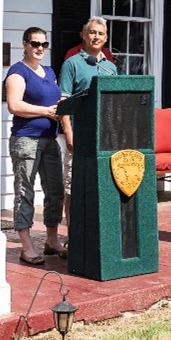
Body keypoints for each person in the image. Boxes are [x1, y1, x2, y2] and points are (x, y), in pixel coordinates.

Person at [5, 26, 66, 265]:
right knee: (25, 191)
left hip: (49, 140)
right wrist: (45, 111)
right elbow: (14, 105)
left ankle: (51, 240)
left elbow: (52, 100)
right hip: (26, 140)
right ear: (25, 44)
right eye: (34, 43)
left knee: (55, 190)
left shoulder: (49, 72)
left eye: (44, 44)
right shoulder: (18, 72)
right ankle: (26, 246)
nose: (40, 48)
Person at [57, 17, 118, 220]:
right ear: (83, 35)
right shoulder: (71, 64)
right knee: (73, 186)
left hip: (106, 137)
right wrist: (69, 134)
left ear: (106, 37)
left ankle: (96, 232)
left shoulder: (110, 67)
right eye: (92, 32)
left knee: (101, 184)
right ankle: (74, 236)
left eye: (100, 33)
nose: (96, 37)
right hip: (80, 135)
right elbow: (63, 102)